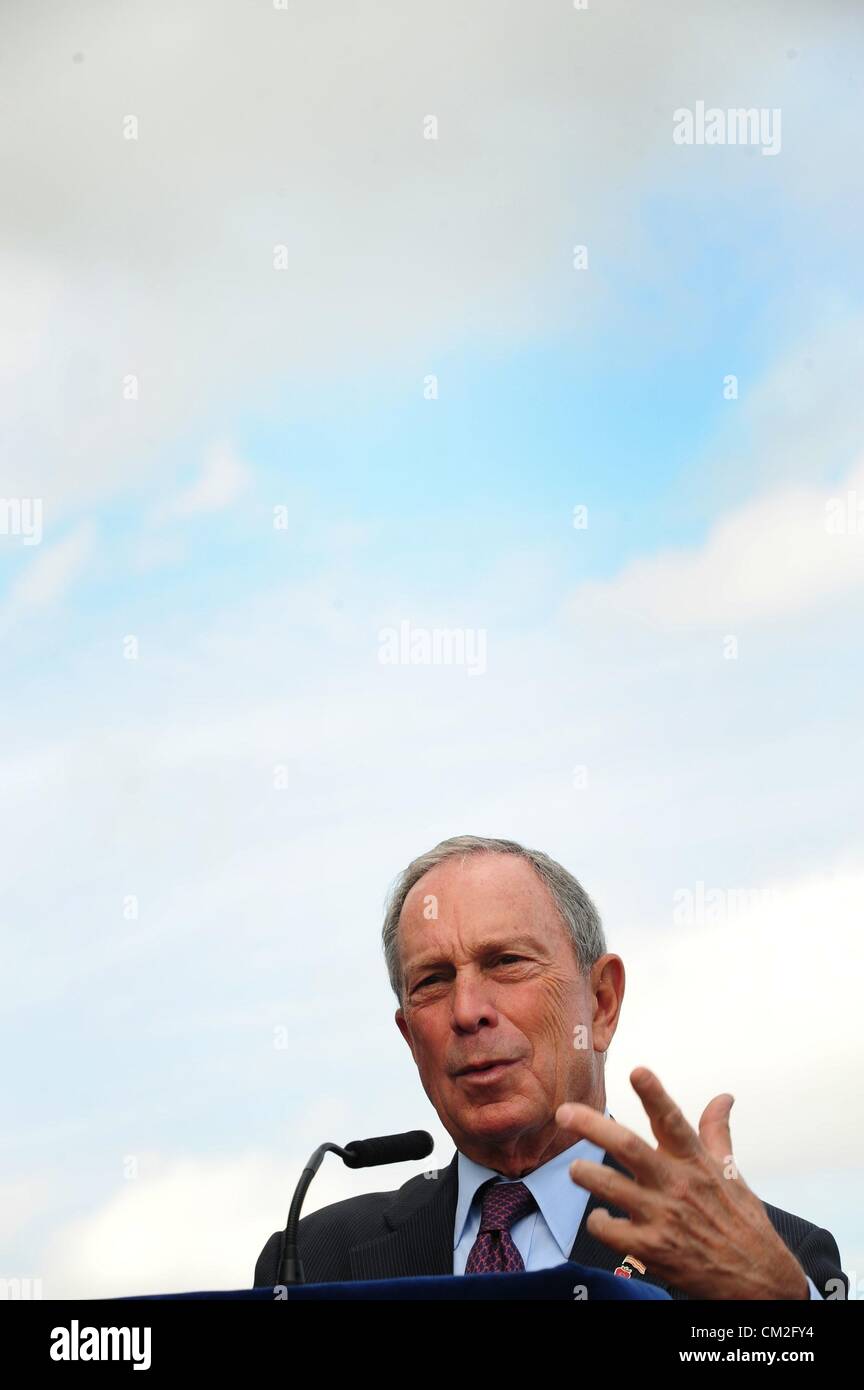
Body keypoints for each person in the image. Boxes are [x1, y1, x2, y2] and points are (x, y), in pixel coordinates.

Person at [254, 835, 847, 1297]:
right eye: (433, 981)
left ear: (603, 1002)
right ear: (410, 1038)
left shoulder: (769, 1261)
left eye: (507, 962)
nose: (467, 1012)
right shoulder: (315, 1258)